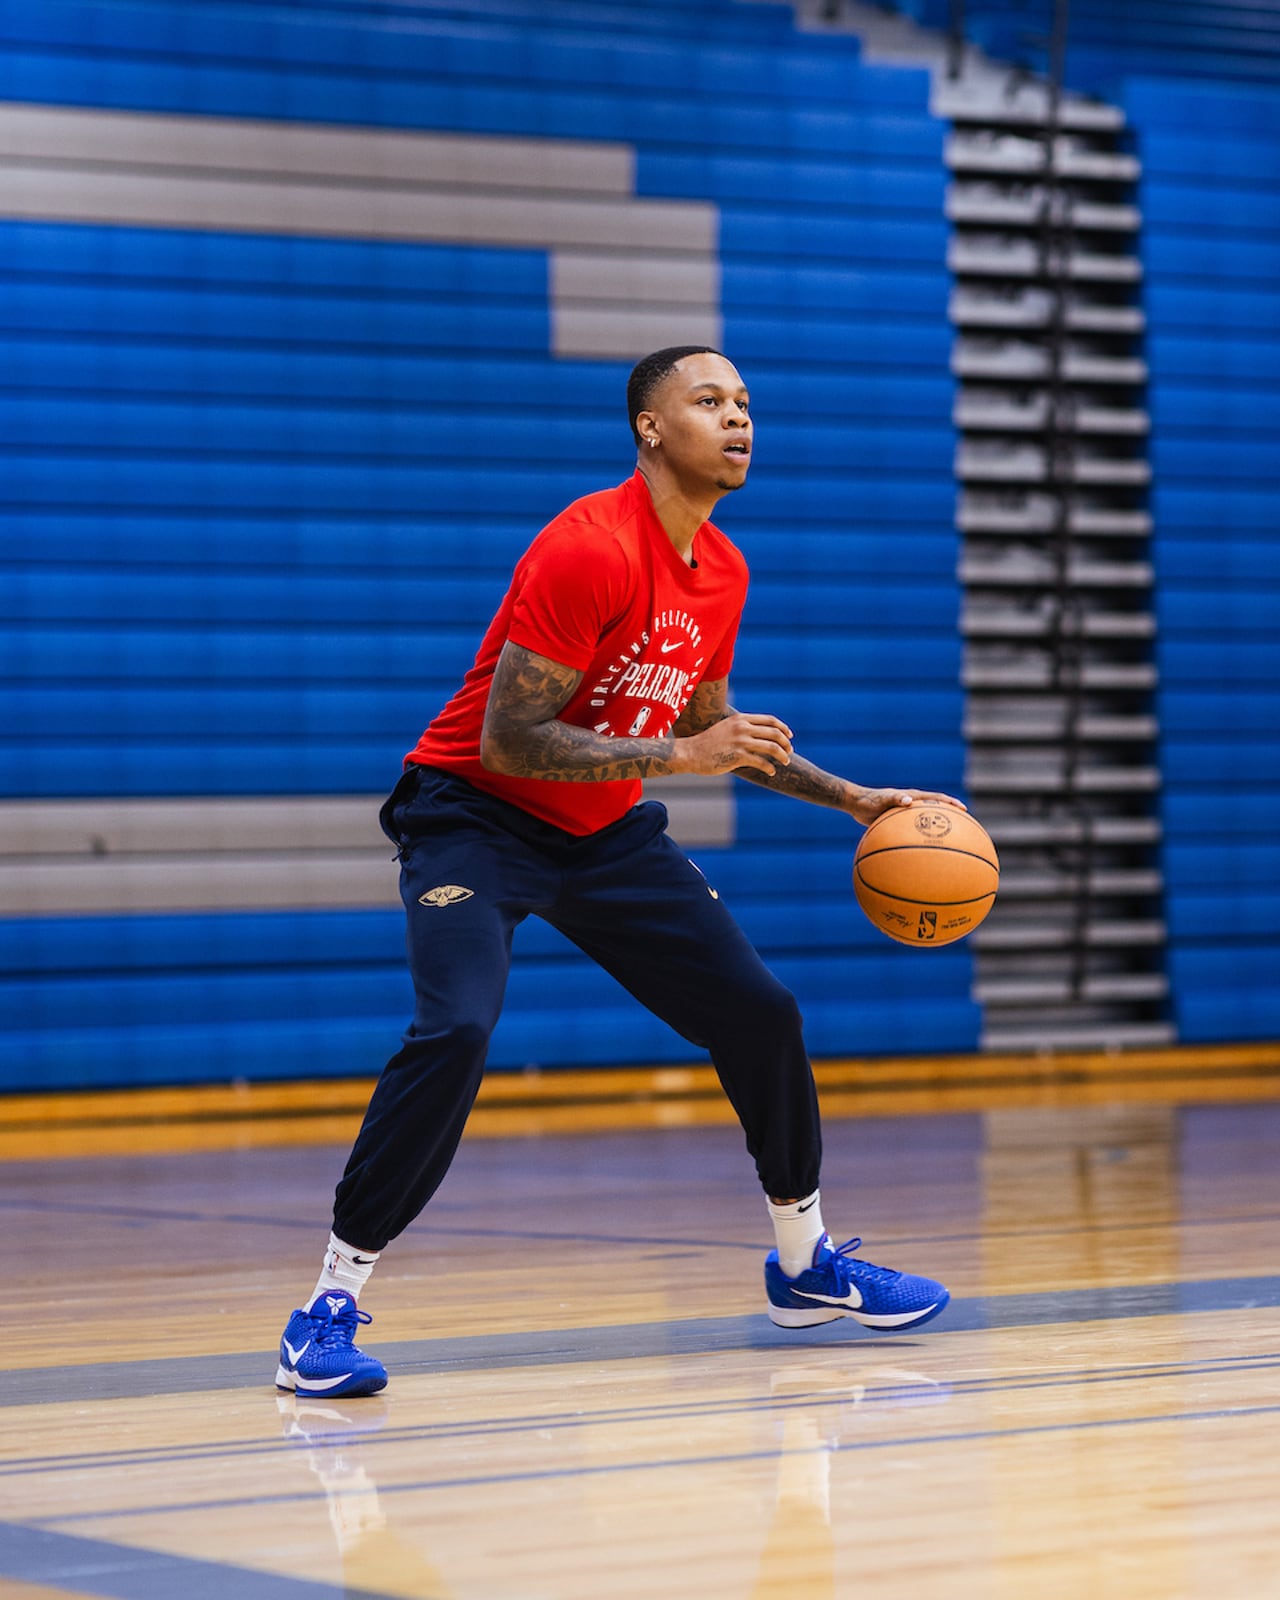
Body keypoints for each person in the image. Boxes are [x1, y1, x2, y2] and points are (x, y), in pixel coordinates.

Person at [275, 346, 961, 1398]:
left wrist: (855, 799)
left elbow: (711, 725)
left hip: (602, 834)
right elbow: (510, 739)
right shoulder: (586, 546)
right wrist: (681, 759)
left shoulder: (720, 570)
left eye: (744, 404)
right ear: (649, 427)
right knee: (455, 1026)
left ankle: (802, 1264)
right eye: (708, 402)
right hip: (474, 818)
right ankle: (327, 1304)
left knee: (760, 1013)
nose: (737, 420)